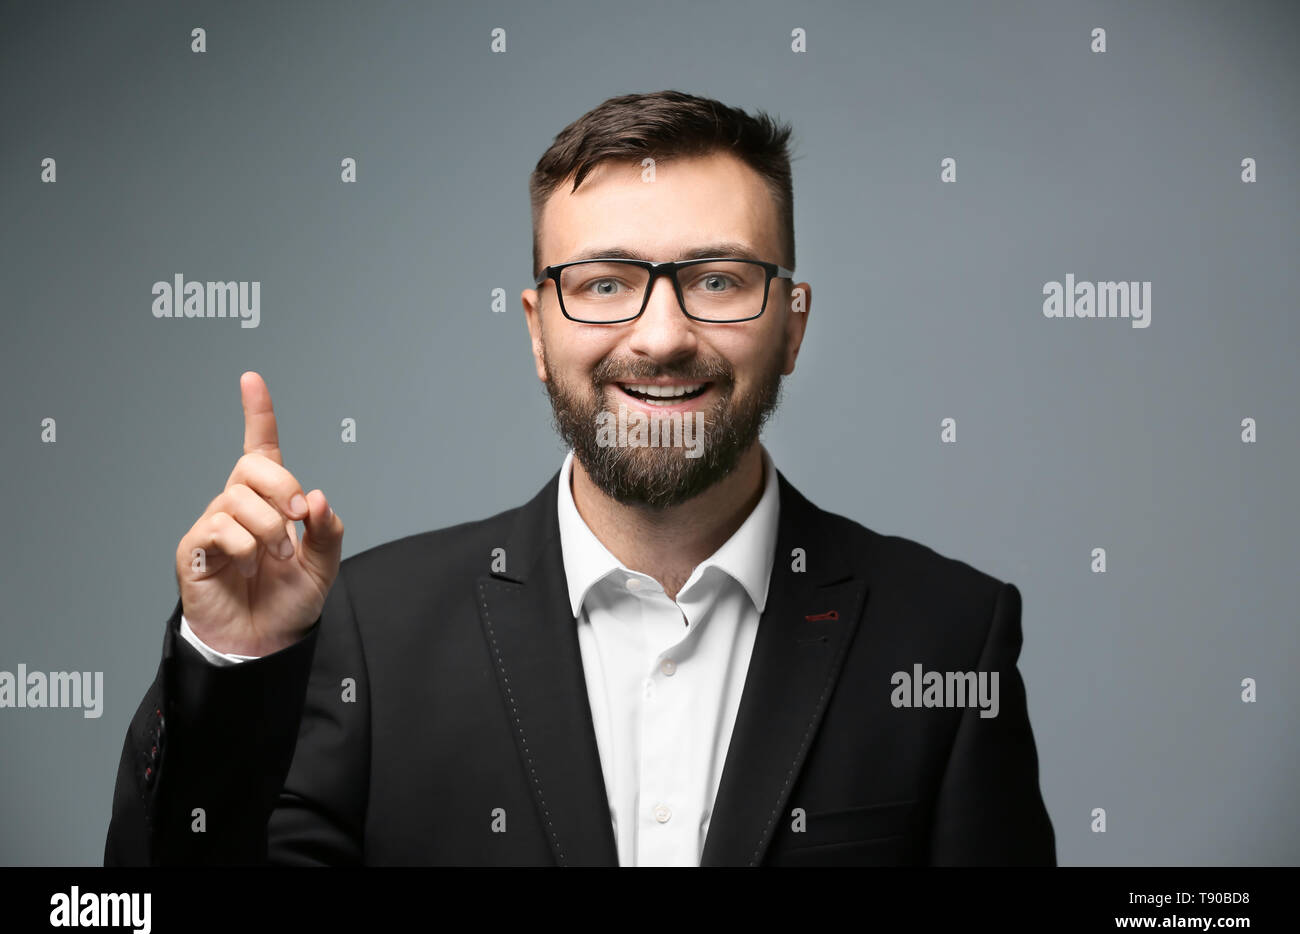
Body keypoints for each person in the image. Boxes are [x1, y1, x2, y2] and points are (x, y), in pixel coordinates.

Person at [105, 90, 1055, 866]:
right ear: (535, 328)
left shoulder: (949, 637)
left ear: (793, 324)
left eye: (718, 279)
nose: (662, 334)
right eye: (603, 282)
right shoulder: (365, 635)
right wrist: (230, 672)